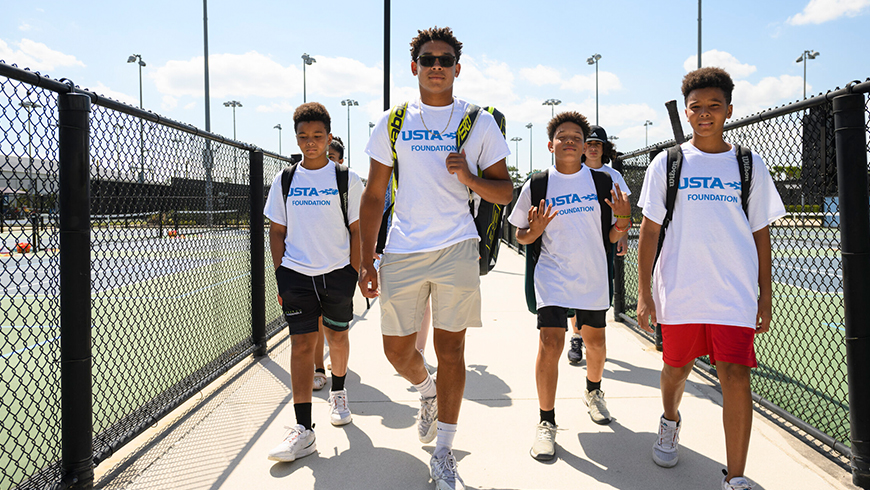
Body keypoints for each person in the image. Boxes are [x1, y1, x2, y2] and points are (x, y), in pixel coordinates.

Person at [359, 26, 513, 490]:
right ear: (415, 68)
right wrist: (367, 260)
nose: (437, 66)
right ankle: (425, 390)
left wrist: (469, 176)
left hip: (457, 247)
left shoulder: (479, 122)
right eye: (429, 59)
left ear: (457, 69)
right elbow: (372, 195)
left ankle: (444, 452)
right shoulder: (393, 121)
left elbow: (504, 191)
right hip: (403, 249)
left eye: (445, 59)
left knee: (453, 350)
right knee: (396, 351)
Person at [636, 67, 785, 490]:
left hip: (733, 293)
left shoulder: (748, 163)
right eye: (696, 108)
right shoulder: (668, 162)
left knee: (736, 375)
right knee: (676, 370)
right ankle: (669, 420)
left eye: (713, 107)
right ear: (686, 113)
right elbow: (649, 230)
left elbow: (761, 233)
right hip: (680, 291)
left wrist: (765, 296)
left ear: (729, 110)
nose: (704, 115)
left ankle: (735, 478)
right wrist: (645, 295)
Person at [508, 111, 631, 461]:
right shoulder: (538, 184)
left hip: (592, 275)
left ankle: (593, 390)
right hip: (552, 275)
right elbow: (521, 234)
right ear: (551, 144)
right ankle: (546, 422)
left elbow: (613, 234)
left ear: (586, 146)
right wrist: (537, 228)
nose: (570, 140)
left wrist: (622, 221)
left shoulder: (602, 183)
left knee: (596, 342)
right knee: (551, 342)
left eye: (577, 136)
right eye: (563, 135)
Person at [264, 102, 363, 462]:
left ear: (329, 137)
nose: (311, 143)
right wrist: (281, 274)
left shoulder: (346, 178)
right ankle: (304, 430)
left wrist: (355, 272)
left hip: (337, 273)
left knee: (337, 336)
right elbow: (276, 231)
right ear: (297, 138)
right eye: (304, 137)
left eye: (317, 136)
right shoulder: (285, 179)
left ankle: (338, 393)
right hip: (296, 275)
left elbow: (358, 230)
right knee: (302, 346)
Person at [566, 125, 632, 364]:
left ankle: (591, 334)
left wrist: (622, 236)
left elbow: (624, 210)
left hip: (604, 241)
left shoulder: (613, 176)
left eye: (597, 144)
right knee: (573, 290)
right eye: (589, 144)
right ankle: (576, 336)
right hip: (574, 241)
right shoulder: (573, 171)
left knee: (598, 291)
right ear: (583, 147)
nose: (593, 148)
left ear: (604, 149)